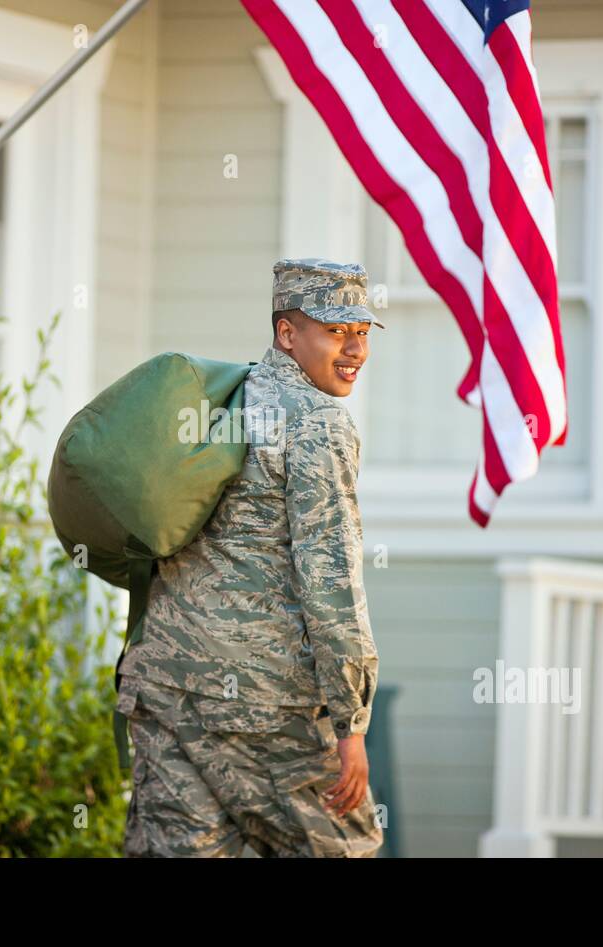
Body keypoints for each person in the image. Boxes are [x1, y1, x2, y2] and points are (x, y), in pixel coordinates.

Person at [115, 258, 385, 857]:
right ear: (287, 334)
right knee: (346, 848)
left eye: (362, 332)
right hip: (261, 702)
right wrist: (352, 721)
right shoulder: (318, 423)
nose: (355, 349)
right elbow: (332, 585)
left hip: (163, 686)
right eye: (336, 331)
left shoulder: (219, 401)